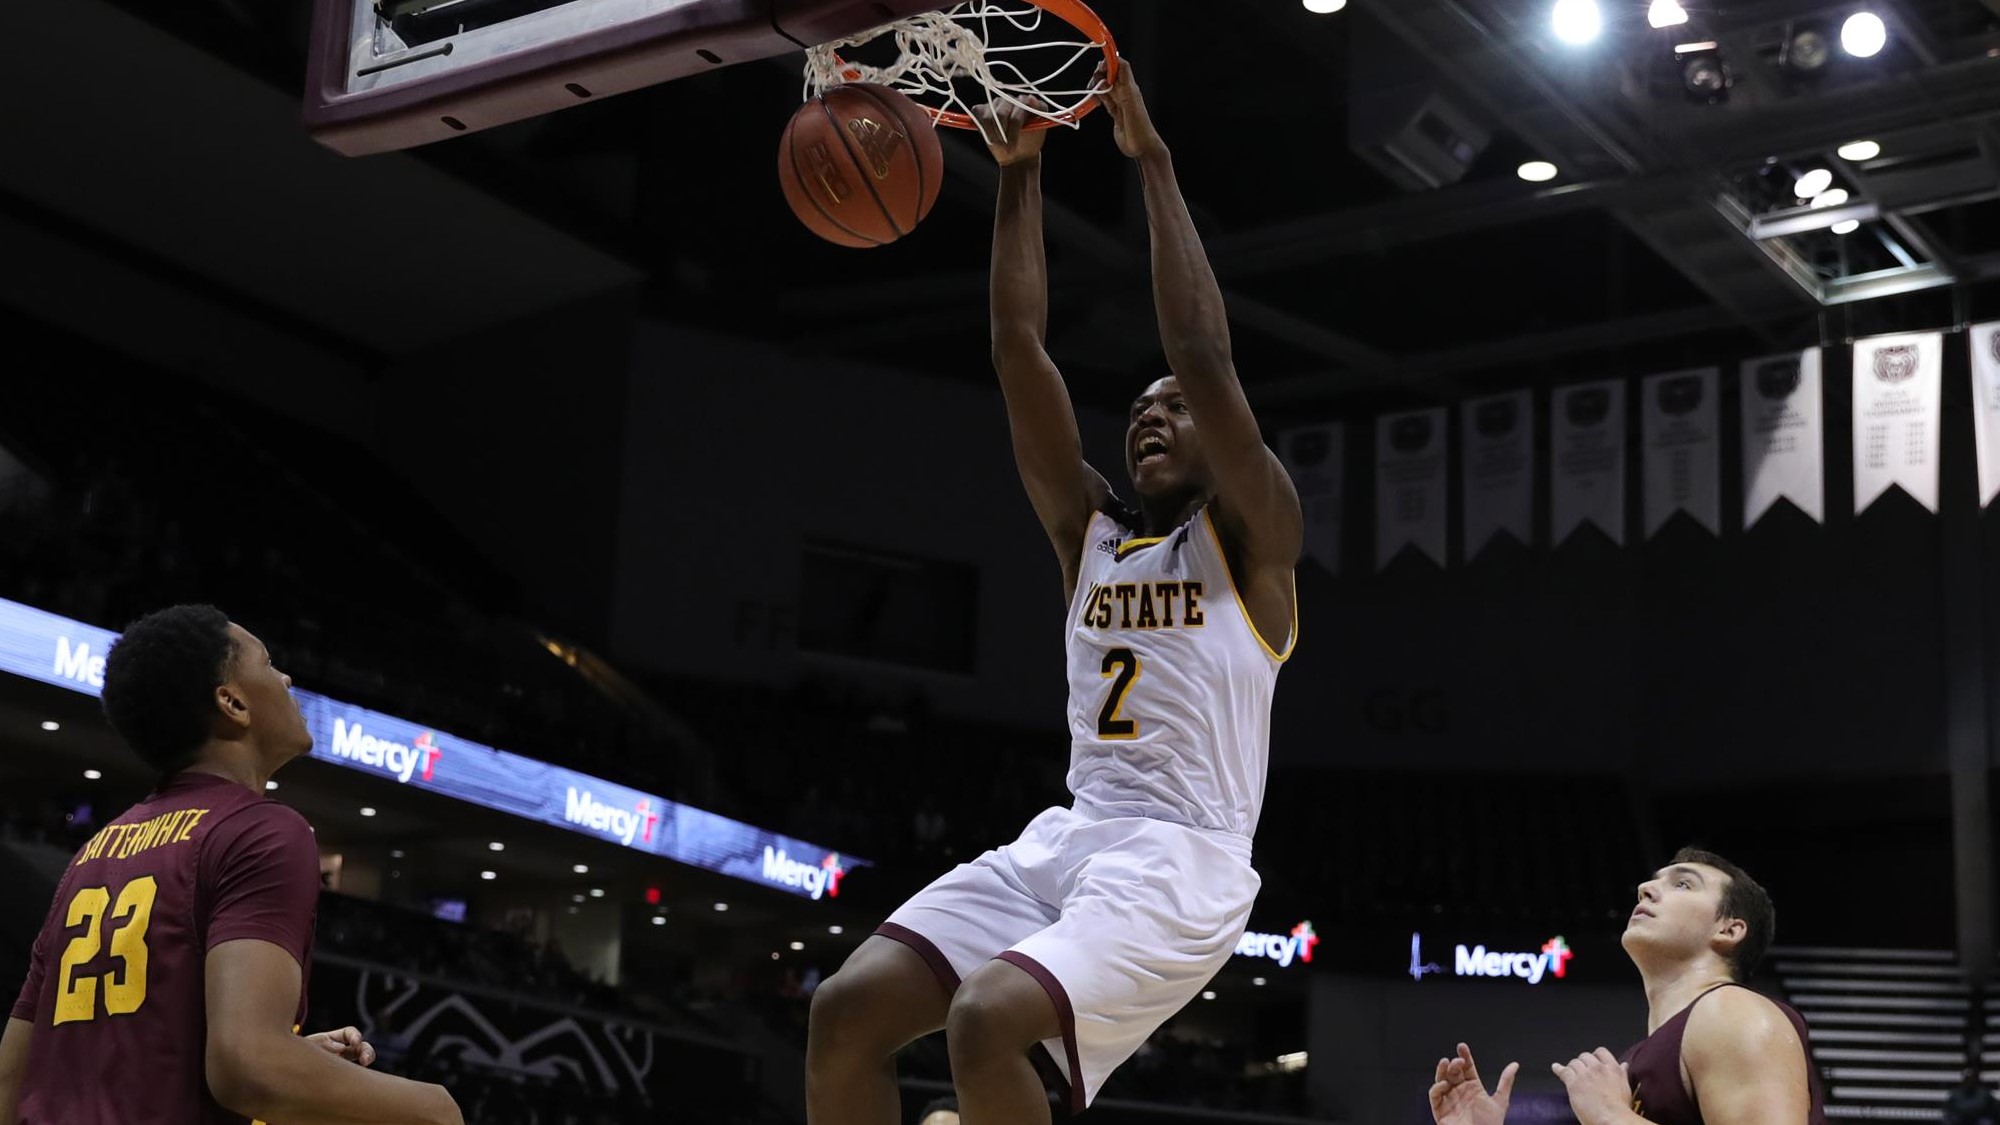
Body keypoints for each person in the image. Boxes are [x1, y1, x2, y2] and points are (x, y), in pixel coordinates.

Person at [805, 57, 1301, 1125]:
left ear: (1222, 443)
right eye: (1138, 408)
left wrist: (1152, 164)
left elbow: (1204, 352)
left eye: (1175, 410)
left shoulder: (1256, 545)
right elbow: (1015, 347)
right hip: (1072, 835)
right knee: (844, 1009)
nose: (1151, 415)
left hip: (1183, 861)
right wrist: (1019, 172)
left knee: (986, 1016)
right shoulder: (1088, 536)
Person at [0, 604, 462, 1125]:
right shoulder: (261, 830)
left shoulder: (95, 852)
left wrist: (293, 1058)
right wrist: (435, 1109)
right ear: (233, 702)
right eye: (267, 663)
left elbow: (12, 1079)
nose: (286, 676)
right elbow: (245, 1069)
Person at [1429, 848, 1825, 1125]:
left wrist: (1611, 1117)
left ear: (1729, 928)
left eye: (1683, 885)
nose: (1645, 888)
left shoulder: (1733, 1011)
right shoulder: (1640, 1056)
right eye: (1652, 882)